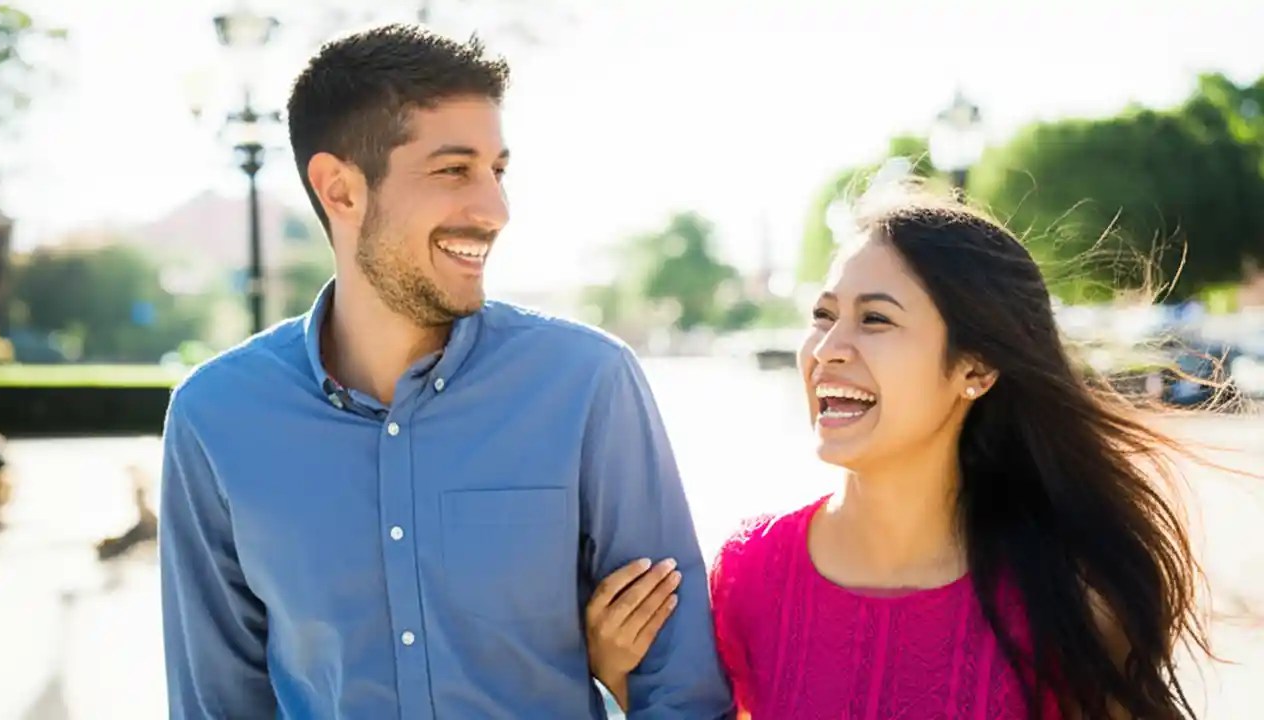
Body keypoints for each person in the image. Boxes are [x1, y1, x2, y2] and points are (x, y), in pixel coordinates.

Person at [158, 24, 732, 719]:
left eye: (498, 170)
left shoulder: (587, 384)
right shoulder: (217, 418)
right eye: (454, 170)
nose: (494, 209)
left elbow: (682, 687)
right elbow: (217, 701)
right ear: (340, 190)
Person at [587, 188, 1211, 719]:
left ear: (977, 365)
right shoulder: (749, 573)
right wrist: (628, 685)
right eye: (823, 315)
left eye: (875, 320)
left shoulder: (1073, 599)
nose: (827, 347)